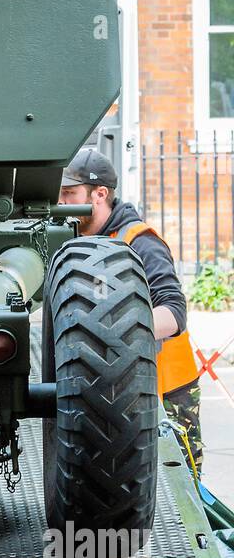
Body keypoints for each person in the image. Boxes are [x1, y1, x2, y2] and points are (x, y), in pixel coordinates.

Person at [59, 145, 203, 473]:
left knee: (182, 490)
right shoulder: (78, 243)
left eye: (69, 193)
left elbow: (174, 312)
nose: (61, 203)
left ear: (99, 194)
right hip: (120, 392)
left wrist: (113, 331)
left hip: (168, 392)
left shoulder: (139, 241)